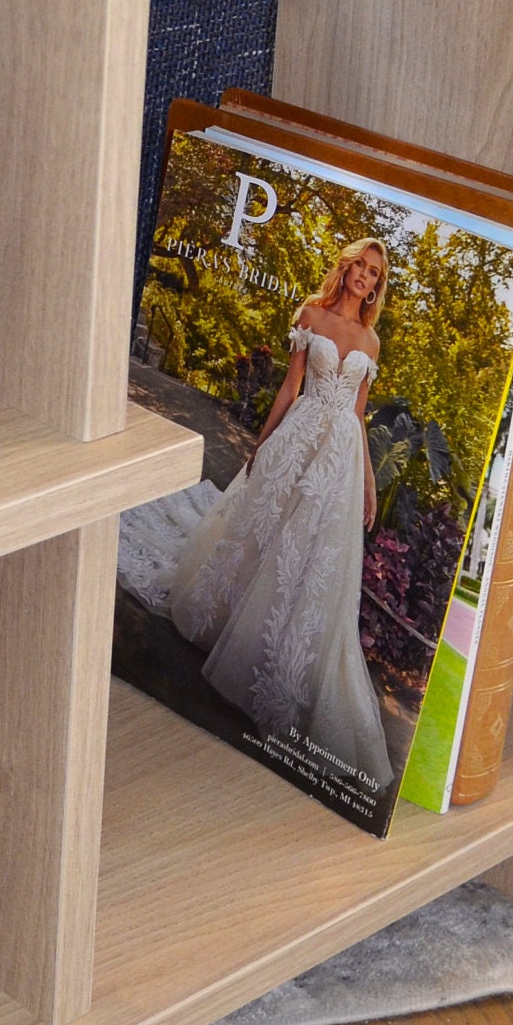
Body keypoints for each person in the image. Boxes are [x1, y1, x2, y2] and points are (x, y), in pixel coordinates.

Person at [168, 238, 395, 785]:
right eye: (359, 266)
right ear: (345, 270)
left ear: (377, 284)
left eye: (374, 273)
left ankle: (277, 659)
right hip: (299, 439)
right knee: (264, 530)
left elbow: (359, 418)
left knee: (308, 553)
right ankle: (225, 622)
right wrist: (262, 444)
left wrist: (367, 484)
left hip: (338, 456)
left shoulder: (372, 339)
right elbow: (290, 386)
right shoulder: (311, 315)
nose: (364, 277)